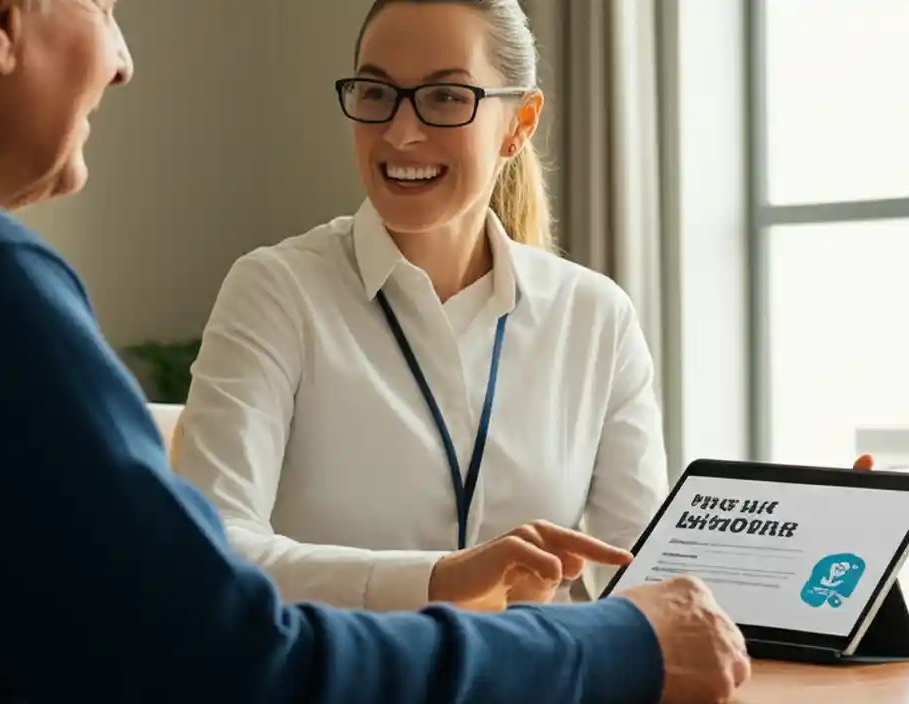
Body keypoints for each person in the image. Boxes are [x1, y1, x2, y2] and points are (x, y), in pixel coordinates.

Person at [0, 1, 750, 704]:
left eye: (443, 98)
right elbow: (220, 674)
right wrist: (608, 648)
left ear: (514, 124)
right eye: (107, 9)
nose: (122, 60)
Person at [174, 0, 666, 612]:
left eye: (445, 98)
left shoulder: (595, 317)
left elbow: (643, 576)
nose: (401, 132)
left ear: (520, 123)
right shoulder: (277, 291)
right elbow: (209, 549)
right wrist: (442, 579)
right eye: (377, 92)